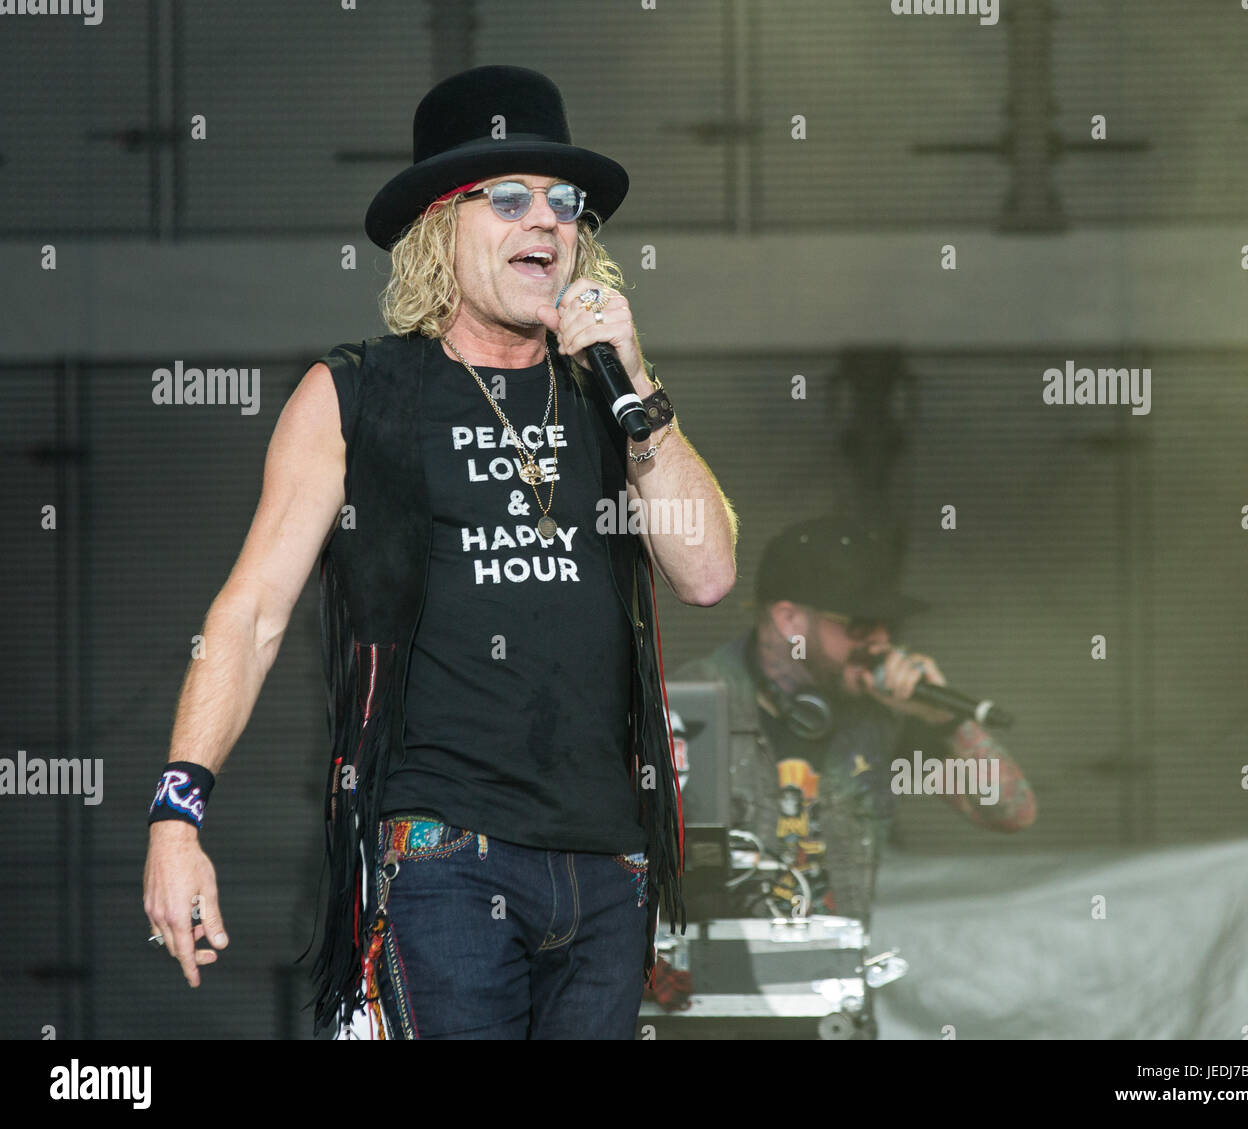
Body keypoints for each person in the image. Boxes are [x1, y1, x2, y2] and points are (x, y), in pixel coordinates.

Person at [142, 65, 738, 1040]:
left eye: (563, 203)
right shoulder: (361, 395)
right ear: (437, 225)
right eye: (507, 199)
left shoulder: (608, 400)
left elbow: (708, 573)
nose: (544, 223)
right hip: (447, 859)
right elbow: (249, 614)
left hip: (607, 866)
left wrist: (637, 387)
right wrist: (177, 816)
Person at [669, 514, 1034, 1033]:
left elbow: (1012, 810)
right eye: (860, 625)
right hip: (713, 1012)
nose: (882, 641)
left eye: (891, 626)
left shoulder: (882, 716)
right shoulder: (692, 705)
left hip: (831, 1011)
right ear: (790, 620)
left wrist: (947, 720)